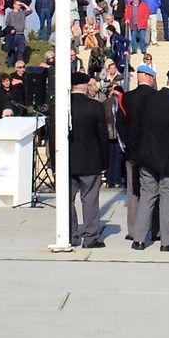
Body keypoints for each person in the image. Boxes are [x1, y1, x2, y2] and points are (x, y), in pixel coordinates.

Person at [128, 68, 169, 250]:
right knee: (168, 200)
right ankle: (167, 240)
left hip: (146, 158)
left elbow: (135, 129)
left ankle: (139, 239)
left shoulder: (147, 100)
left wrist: (135, 155)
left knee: (147, 197)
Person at [66, 72, 112, 247]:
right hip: (91, 161)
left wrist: (54, 163)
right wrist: (104, 162)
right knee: (90, 200)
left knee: (67, 200)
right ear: (85, 86)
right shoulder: (95, 107)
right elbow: (103, 136)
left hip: (68, 161)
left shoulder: (62, 106)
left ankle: (70, 234)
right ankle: (91, 237)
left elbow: (53, 137)